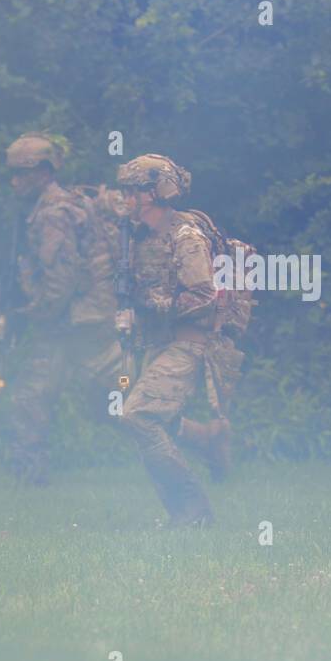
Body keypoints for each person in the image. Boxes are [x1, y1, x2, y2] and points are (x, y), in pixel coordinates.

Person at [0, 132, 125, 485]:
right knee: (112, 404)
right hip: (88, 320)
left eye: (22, 174)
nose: (15, 181)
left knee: (29, 396)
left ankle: (28, 476)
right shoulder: (64, 205)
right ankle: (199, 437)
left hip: (71, 324)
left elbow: (60, 282)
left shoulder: (52, 214)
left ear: (43, 173)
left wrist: (34, 316)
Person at [113, 154, 225, 525]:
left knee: (138, 415)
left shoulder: (185, 236)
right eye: (126, 191)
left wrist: (156, 305)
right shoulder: (138, 238)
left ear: (157, 193)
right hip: (156, 344)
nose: (127, 199)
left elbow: (205, 295)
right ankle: (209, 440)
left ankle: (194, 513)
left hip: (187, 344)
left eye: (135, 191)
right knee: (147, 418)